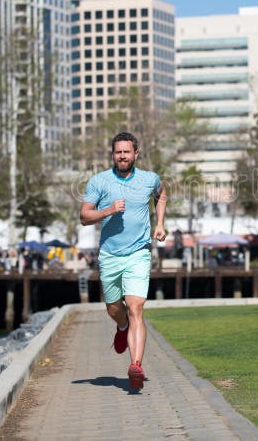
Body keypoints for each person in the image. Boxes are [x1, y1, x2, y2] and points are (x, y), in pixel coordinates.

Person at [80, 131, 167, 391]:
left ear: (136, 154)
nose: (122, 156)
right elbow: (84, 216)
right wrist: (108, 210)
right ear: (113, 154)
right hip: (109, 254)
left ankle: (136, 366)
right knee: (114, 309)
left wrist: (160, 223)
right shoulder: (99, 181)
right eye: (118, 152)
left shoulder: (150, 179)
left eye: (127, 152)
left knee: (136, 307)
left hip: (139, 252)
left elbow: (161, 194)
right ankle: (121, 327)